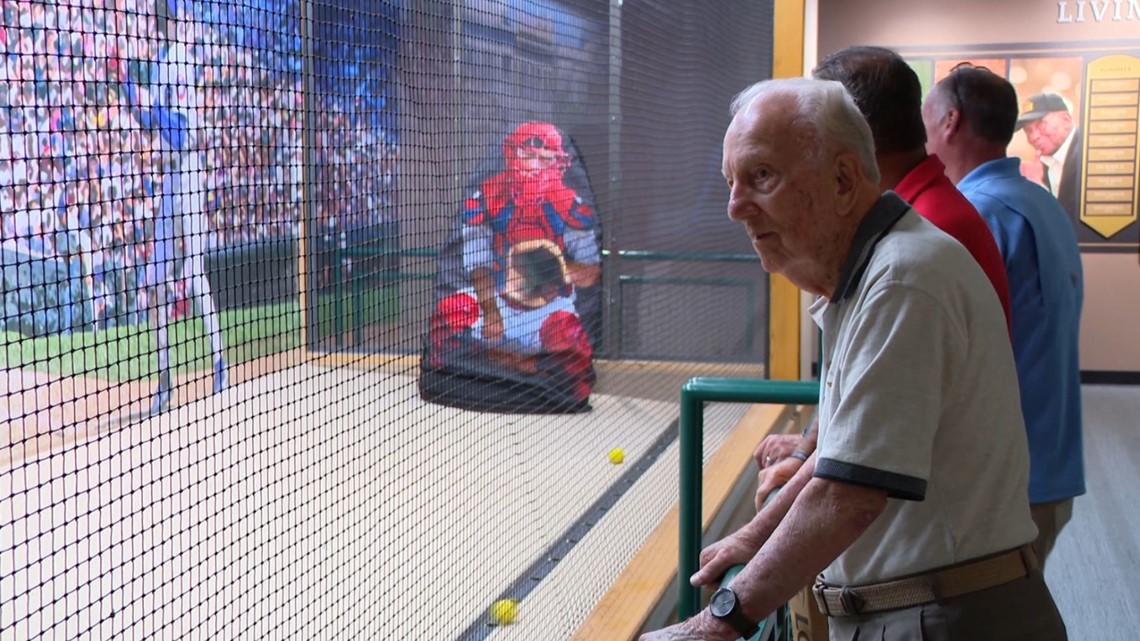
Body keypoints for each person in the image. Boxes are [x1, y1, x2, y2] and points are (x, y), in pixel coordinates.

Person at [640, 77, 1065, 641]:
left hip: (947, 619)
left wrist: (716, 623)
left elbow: (848, 495)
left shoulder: (904, 281)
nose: (736, 206)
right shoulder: (869, 277)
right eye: (731, 182)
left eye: (761, 177)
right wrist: (755, 536)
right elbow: (840, 458)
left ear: (843, 179)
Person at [753, 46, 1015, 505]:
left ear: (850, 138)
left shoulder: (920, 237)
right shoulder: (910, 216)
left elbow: (858, 480)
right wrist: (807, 447)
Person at [922, 64, 1085, 568]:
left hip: (1005, 483)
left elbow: (944, 354)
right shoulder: (1038, 202)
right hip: (1049, 464)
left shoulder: (975, 215)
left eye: (924, 116)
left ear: (949, 121)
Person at [123, 0, 227, 415]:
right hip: (173, 178)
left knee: (191, 270)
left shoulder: (177, 59)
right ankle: (165, 381)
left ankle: (219, 361)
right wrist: (127, 82)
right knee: (154, 280)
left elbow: (178, 131)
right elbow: (148, 119)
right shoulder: (168, 58)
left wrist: (136, 91)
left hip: (187, 172)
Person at [1016, 92, 1083, 222]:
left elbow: (1070, 224)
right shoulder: (1043, 164)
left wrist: (1038, 188)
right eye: (1028, 130)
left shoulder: (1088, 156)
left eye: (1041, 125)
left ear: (1066, 121)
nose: (1033, 137)